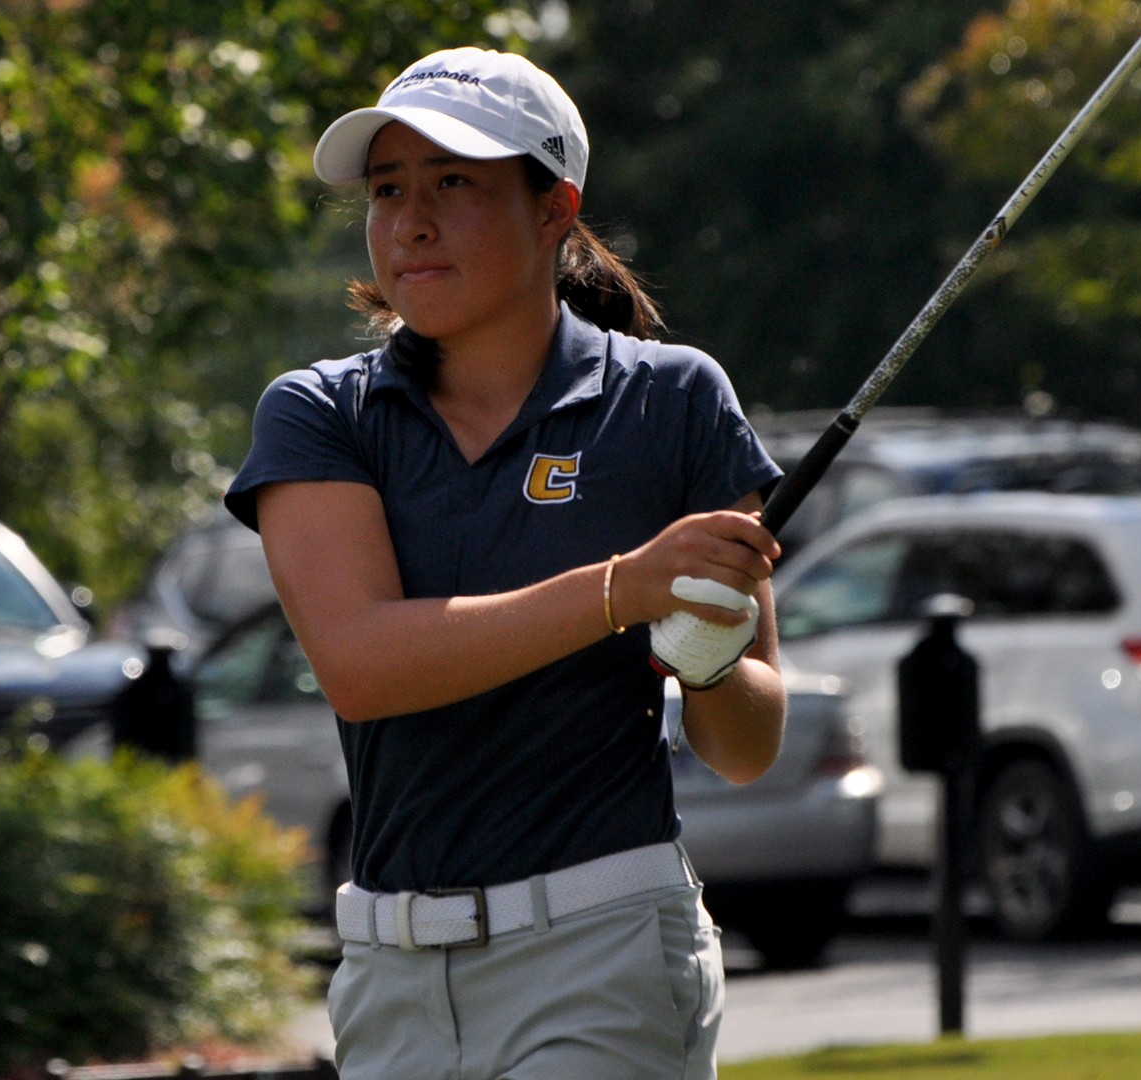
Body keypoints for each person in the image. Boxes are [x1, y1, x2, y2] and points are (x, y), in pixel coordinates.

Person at [223, 46, 786, 1080]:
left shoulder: (673, 402)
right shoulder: (319, 412)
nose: (410, 222)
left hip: (604, 948)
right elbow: (361, 664)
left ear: (551, 208)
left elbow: (747, 741)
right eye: (388, 190)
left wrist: (707, 658)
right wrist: (623, 588)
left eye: (454, 184)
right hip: (389, 977)